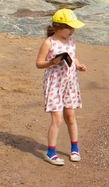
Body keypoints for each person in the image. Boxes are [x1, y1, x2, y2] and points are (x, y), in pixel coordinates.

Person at [35, 9, 87, 165]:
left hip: (70, 82)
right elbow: (38, 63)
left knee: (71, 117)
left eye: (74, 28)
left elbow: (73, 56)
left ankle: (75, 149)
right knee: (57, 119)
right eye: (69, 28)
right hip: (54, 83)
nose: (73, 31)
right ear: (58, 27)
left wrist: (78, 65)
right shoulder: (49, 42)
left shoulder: (71, 41)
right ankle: (51, 153)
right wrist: (51, 62)